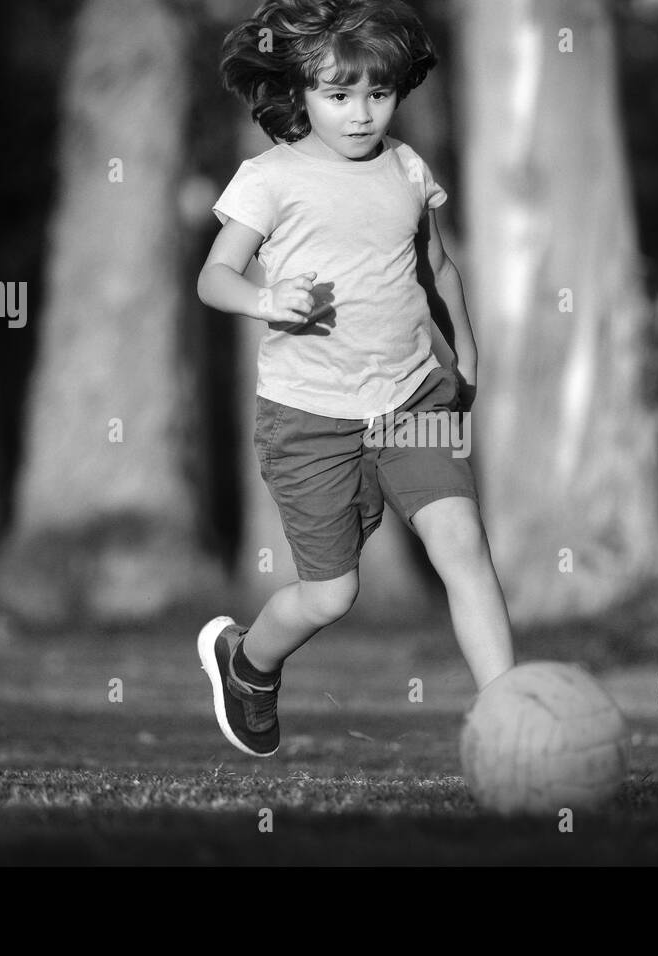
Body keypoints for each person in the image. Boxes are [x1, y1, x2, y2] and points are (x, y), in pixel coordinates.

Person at [195, 0, 513, 757]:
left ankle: (511, 720)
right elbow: (214, 277)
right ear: (301, 92)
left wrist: (464, 351)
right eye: (339, 95)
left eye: (379, 93)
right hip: (309, 419)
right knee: (332, 595)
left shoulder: (407, 168)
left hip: (412, 396)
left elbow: (437, 266)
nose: (361, 113)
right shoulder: (268, 178)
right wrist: (269, 301)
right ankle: (248, 664)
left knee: (462, 543)